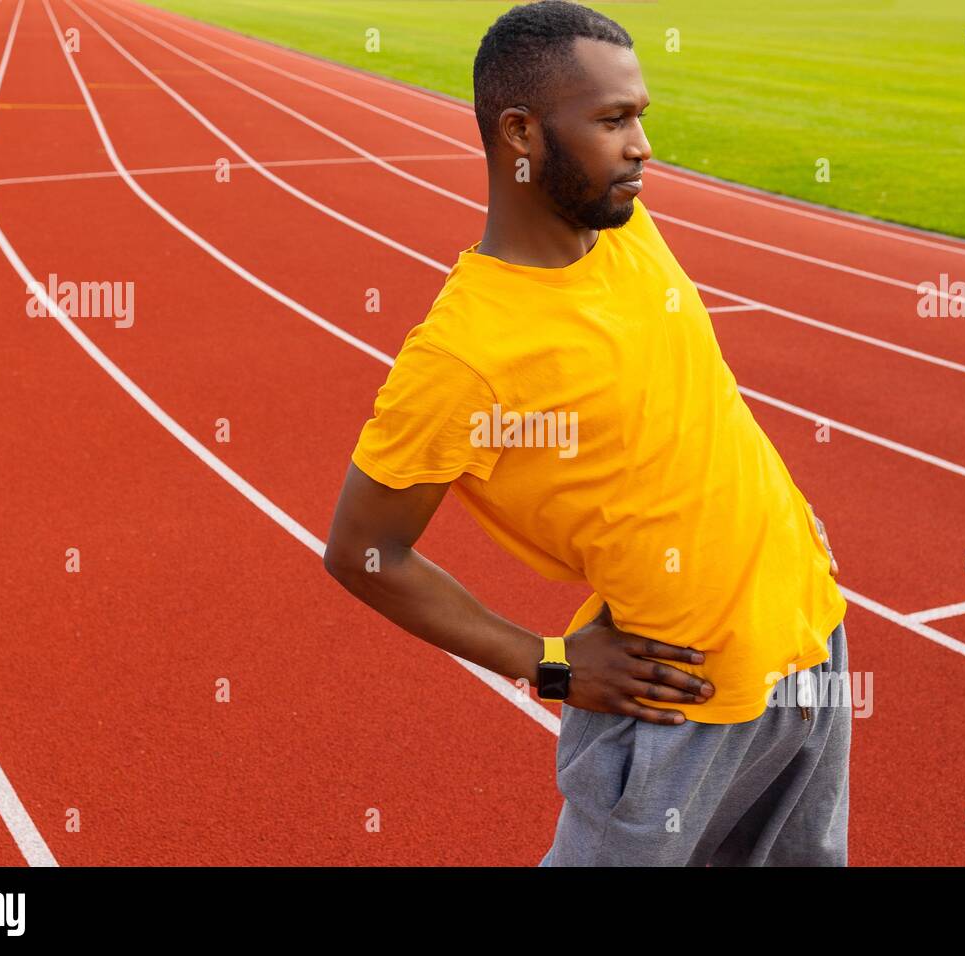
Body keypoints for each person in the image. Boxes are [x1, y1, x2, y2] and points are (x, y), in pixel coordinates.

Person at [324, 0, 850, 866]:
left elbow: (690, 395)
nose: (642, 145)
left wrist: (785, 517)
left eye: (639, 115)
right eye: (612, 121)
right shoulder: (464, 356)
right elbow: (363, 551)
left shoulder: (625, 230)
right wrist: (553, 664)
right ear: (523, 133)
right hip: (680, 698)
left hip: (810, 640)